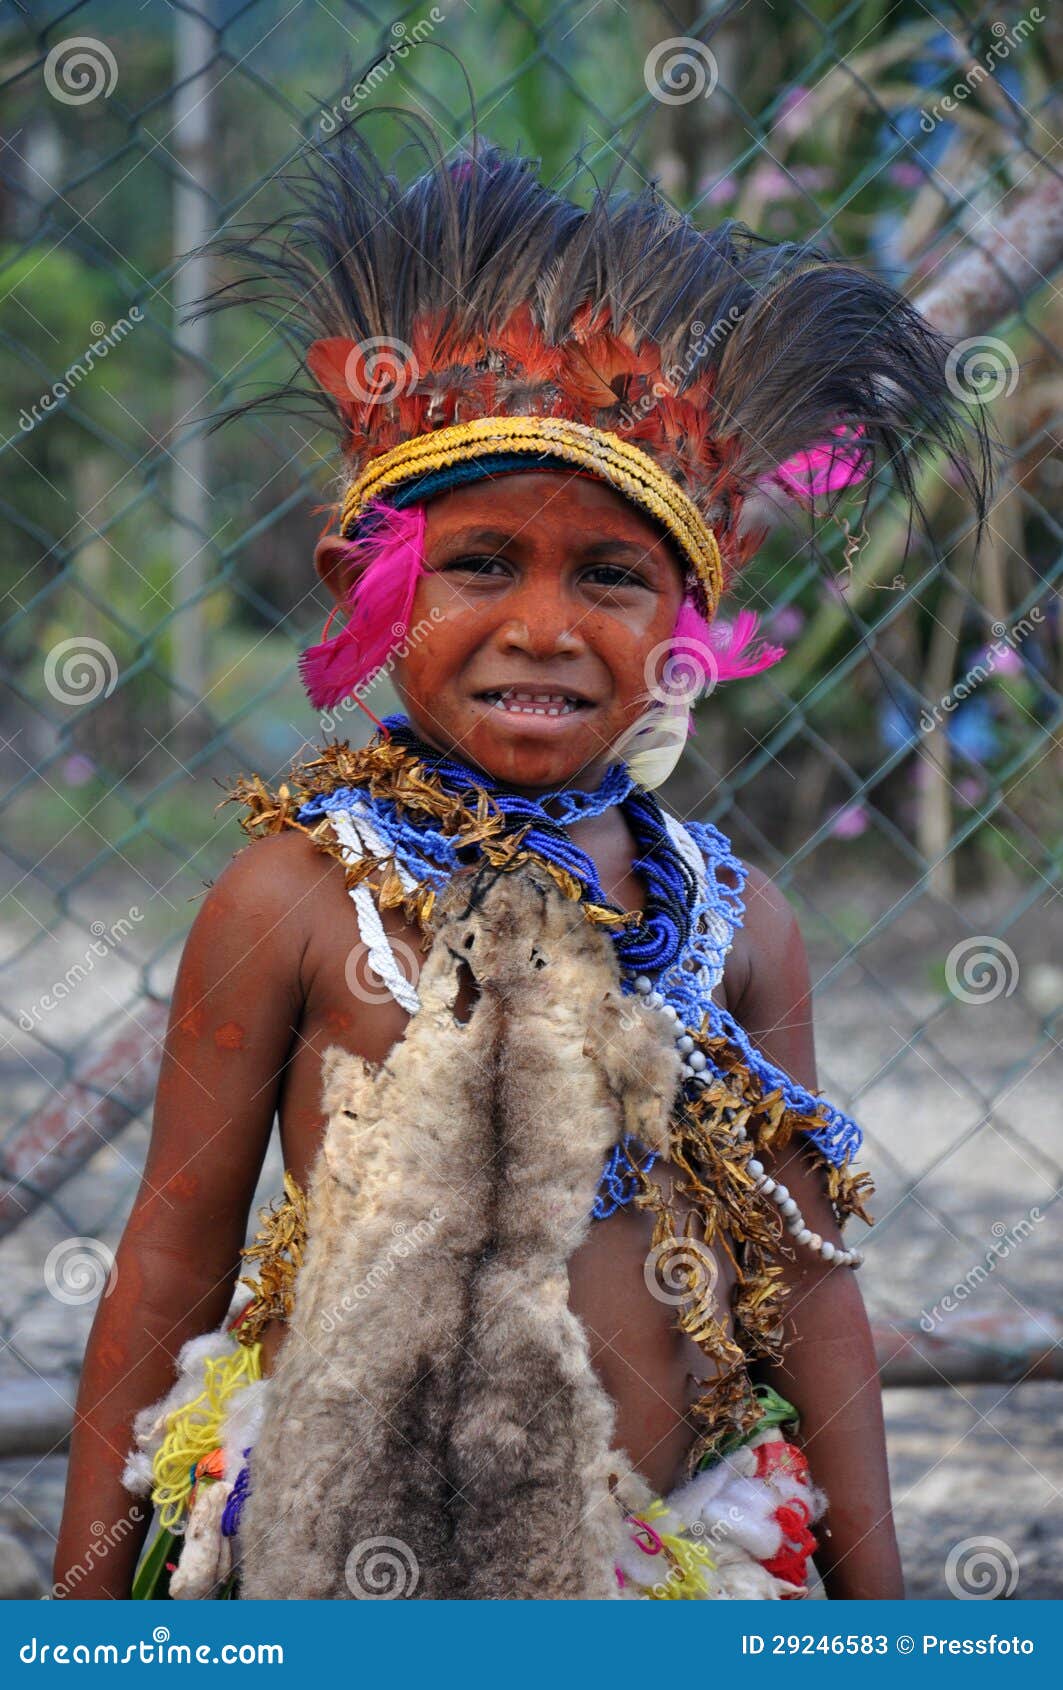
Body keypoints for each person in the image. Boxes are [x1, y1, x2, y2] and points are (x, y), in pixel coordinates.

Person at [53, 121, 986, 1601]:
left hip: (669, 1571)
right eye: (482, 561)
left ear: (687, 623)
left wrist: (880, 1624)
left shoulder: (736, 926)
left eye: (610, 576)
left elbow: (809, 1280)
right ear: (364, 580)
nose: (546, 628)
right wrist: (82, 1622)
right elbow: (171, 1262)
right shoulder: (298, 899)